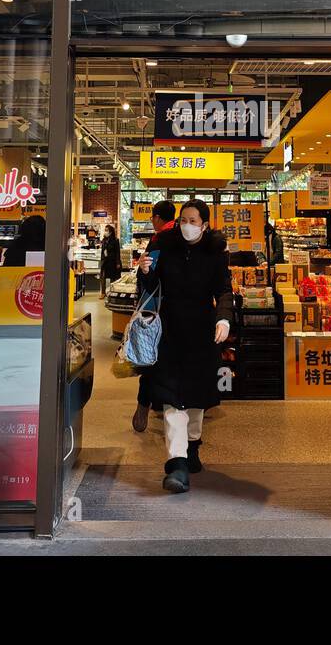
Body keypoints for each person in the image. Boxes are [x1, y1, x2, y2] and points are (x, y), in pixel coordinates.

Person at [135, 199, 233, 493]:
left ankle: (192, 446)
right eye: (183, 220)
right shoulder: (164, 243)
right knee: (171, 396)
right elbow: (148, 284)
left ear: (204, 224)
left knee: (195, 398)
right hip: (168, 331)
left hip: (202, 332)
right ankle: (176, 463)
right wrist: (144, 269)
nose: (187, 225)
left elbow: (224, 290)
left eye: (193, 220)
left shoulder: (215, 252)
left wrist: (224, 319)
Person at [131, 200, 177, 433]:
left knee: (151, 359)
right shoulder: (182, 239)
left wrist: (143, 272)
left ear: (158, 218)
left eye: (152, 217)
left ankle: (143, 406)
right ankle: (169, 407)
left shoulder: (159, 240)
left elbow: (150, 277)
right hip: (179, 310)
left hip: (156, 310)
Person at [99, 224, 122, 297]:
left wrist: (118, 262)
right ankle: (103, 293)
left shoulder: (115, 240)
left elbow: (118, 252)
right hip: (105, 261)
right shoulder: (104, 240)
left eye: (107, 230)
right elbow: (102, 251)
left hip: (112, 261)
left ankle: (112, 292)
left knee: (113, 277)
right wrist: (101, 260)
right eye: (105, 230)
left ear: (111, 232)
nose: (105, 232)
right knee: (103, 277)